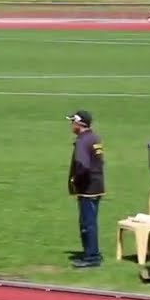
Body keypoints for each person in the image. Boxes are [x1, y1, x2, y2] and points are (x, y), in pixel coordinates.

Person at [67, 109, 104, 268]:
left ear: (79, 123)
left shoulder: (83, 141)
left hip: (88, 188)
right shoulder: (94, 137)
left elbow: (83, 165)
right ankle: (92, 253)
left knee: (87, 223)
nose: (71, 125)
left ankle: (92, 257)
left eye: (72, 122)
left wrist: (75, 179)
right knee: (91, 222)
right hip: (97, 185)